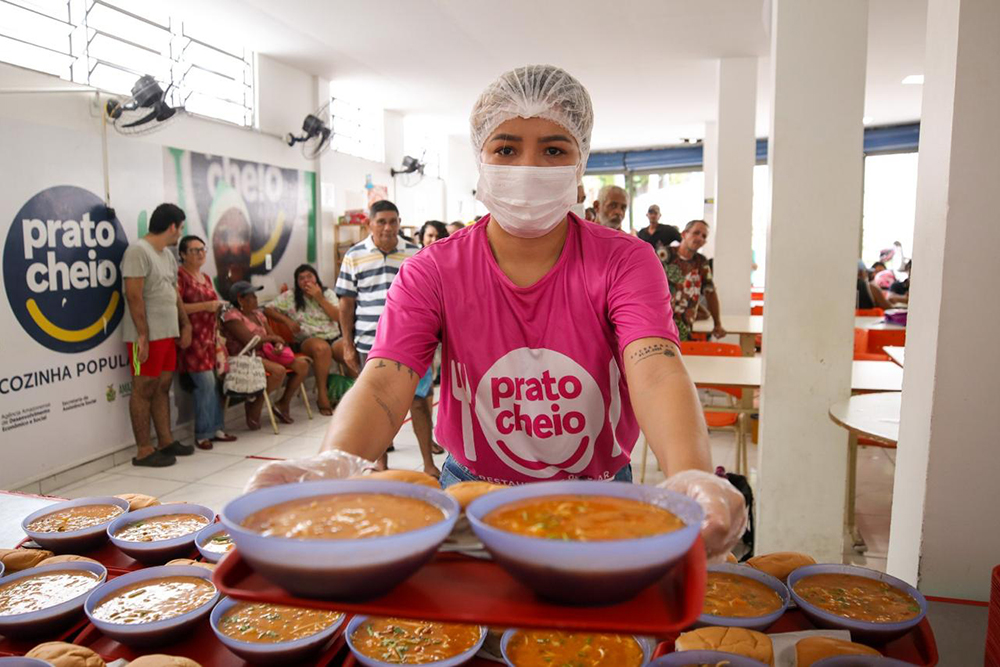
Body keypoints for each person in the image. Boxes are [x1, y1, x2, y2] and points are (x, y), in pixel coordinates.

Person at [248, 65, 746, 562]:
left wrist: (690, 476)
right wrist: (334, 464)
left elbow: (656, 371)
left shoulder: (624, 261)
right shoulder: (433, 270)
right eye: (506, 149)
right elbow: (383, 383)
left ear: (580, 163)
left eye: (554, 149)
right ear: (481, 159)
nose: (528, 166)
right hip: (470, 496)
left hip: (600, 494)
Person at [336, 200, 440, 474]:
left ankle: (428, 463)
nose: (388, 227)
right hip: (369, 345)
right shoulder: (354, 255)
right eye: (381, 221)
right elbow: (346, 303)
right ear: (369, 224)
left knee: (419, 403)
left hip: (414, 346)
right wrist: (347, 344)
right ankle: (381, 464)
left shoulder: (415, 253)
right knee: (376, 406)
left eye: (393, 221)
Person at [121, 203, 194, 467]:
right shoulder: (138, 252)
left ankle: (165, 440)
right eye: (181, 228)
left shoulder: (167, 255)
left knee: (162, 386)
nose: (180, 233)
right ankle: (143, 449)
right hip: (146, 336)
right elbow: (133, 294)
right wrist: (142, 334)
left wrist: (185, 323)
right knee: (144, 388)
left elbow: (173, 293)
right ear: (173, 226)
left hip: (167, 333)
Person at [264, 264, 351, 416]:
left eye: (309, 276)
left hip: (333, 336)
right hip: (309, 339)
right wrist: (287, 321)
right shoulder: (290, 297)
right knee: (321, 349)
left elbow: (338, 317)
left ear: (316, 278)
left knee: (349, 351)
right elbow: (267, 309)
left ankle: (350, 393)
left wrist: (319, 298)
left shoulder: (327, 293)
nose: (306, 281)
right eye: (301, 278)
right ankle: (322, 396)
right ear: (296, 282)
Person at [222, 281, 310, 430]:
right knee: (278, 371)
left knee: (302, 365)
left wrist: (278, 345)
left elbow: (274, 336)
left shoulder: (258, 314)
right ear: (240, 300)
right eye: (251, 296)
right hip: (247, 356)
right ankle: (257, 402)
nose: (256, 299)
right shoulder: (232, 317)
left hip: (266, 352)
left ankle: (283, 403)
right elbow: (250, 341)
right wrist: (272, 340)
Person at [177, 235, 237, 450]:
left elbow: (211, 307)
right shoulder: (180, 276)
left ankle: (217, 428)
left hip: (210, 339)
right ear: (183, 254)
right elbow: (178, 307)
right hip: (191, 339)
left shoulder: (206, 277)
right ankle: (203, 432)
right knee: (204, 385)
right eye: (194, 250)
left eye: (202, 249)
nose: (200, 253)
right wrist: (206, 306)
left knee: (215, 385)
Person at [663, 220, 726, 341]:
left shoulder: (701, 262)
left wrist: (717, 324)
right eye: (696, 233)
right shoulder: (664, 255)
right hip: (658, 325)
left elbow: (710, 293)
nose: (699, 238)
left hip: (684, 328)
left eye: (704, 236)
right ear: (684, 234)